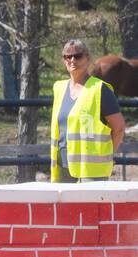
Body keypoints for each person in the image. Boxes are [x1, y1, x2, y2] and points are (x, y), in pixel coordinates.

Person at [52, 39, 124, 182]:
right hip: (63, 168)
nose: (72, 60)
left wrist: (106, 155)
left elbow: (119, 128)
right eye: (67, 56)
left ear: (88, 58)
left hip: (92, 172)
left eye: (77, 56)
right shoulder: (59, 88)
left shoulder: (100, 89)